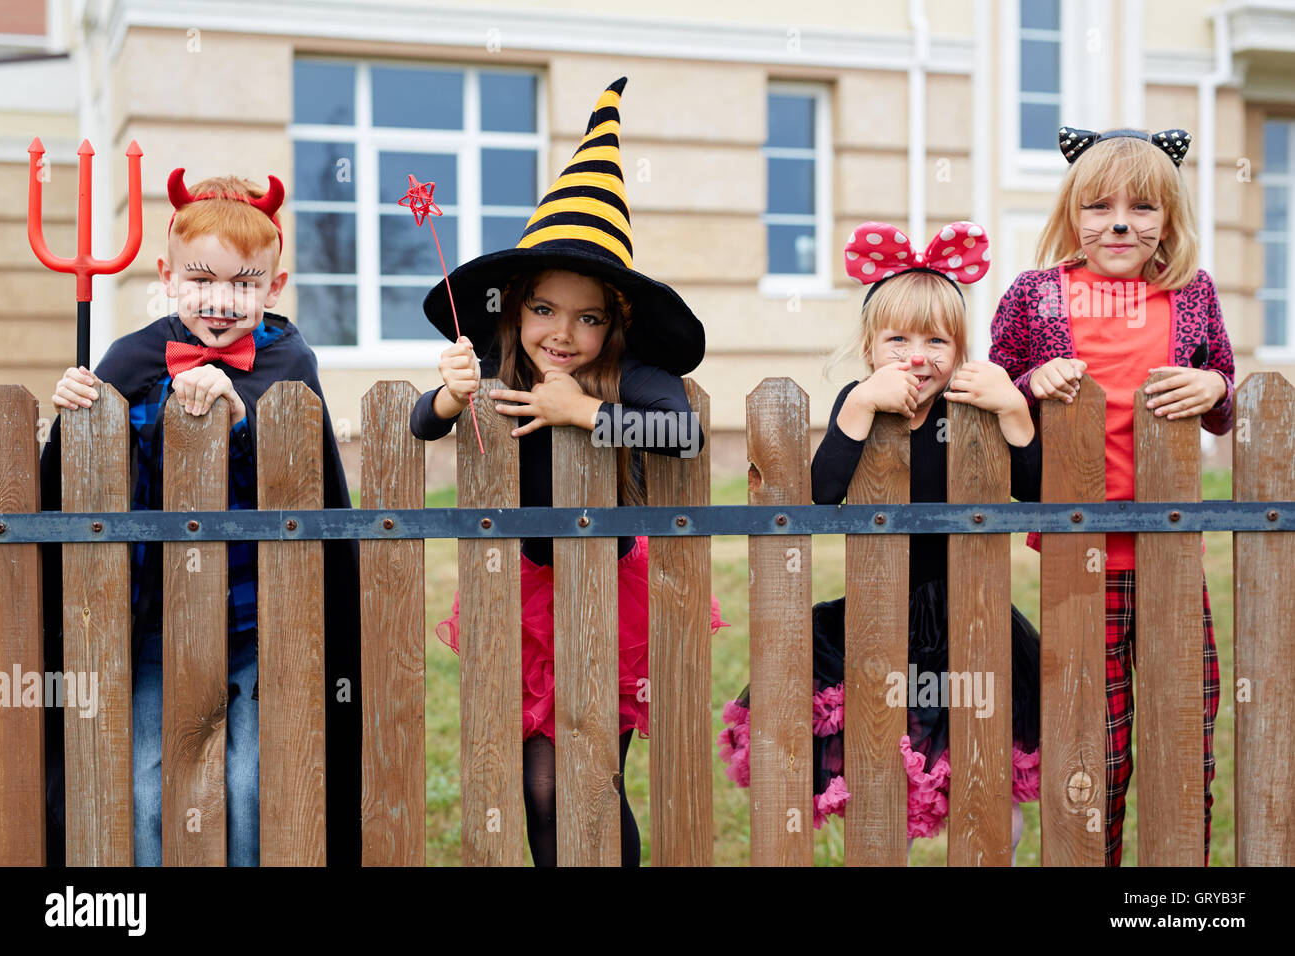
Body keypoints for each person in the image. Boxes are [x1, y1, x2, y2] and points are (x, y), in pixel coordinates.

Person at [411, 77, 726, 867]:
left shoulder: (637, 373)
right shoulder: (492, 359)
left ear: (615, 322)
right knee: (537, 786)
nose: (564, 333)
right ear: (515, 308)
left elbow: (682, 434)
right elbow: (419, 423)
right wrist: (450, 397)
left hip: (612, 591)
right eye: (545, 309)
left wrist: (580, 412)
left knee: (592, 774)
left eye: (588, 317)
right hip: (524, 594)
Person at [41, 169, 362, 867]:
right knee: (146, 785)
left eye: (244, 283)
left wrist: (243, 419)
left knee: (251, 785)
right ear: (166, 275)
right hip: (155, 625)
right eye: (200, 279)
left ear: (273, 288)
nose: (221, 301)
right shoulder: (130, 357)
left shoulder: (289, 360)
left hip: (260, 627)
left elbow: (305, 487)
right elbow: (82, 486)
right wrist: (75, 415)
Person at [719, 221, 1043, 861]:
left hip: (969, 616)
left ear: (959, 349)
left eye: (936, 340)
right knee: (877, 771)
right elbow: (820, 495)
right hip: (877, 616)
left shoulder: (970, 408)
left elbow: (1033, 495)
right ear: (869, 348)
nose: (916, 356)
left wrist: (1013, 410)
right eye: (897, 339)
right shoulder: (858, 401)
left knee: (985, 785)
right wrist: (859, 408)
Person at [990, 127, 1235, 865]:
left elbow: (1223, 396)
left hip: (1168, 548)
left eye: (1143, 208)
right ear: (1072, 212)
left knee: (1186, 728)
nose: (1120, 222)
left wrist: (1216, 385)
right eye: (1098, 206)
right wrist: (1029, 384)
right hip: (1078, 556)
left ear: (1169, 218)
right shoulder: (1037, 295)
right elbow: (991, 391)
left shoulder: (1188, 294)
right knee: (1095, 741)